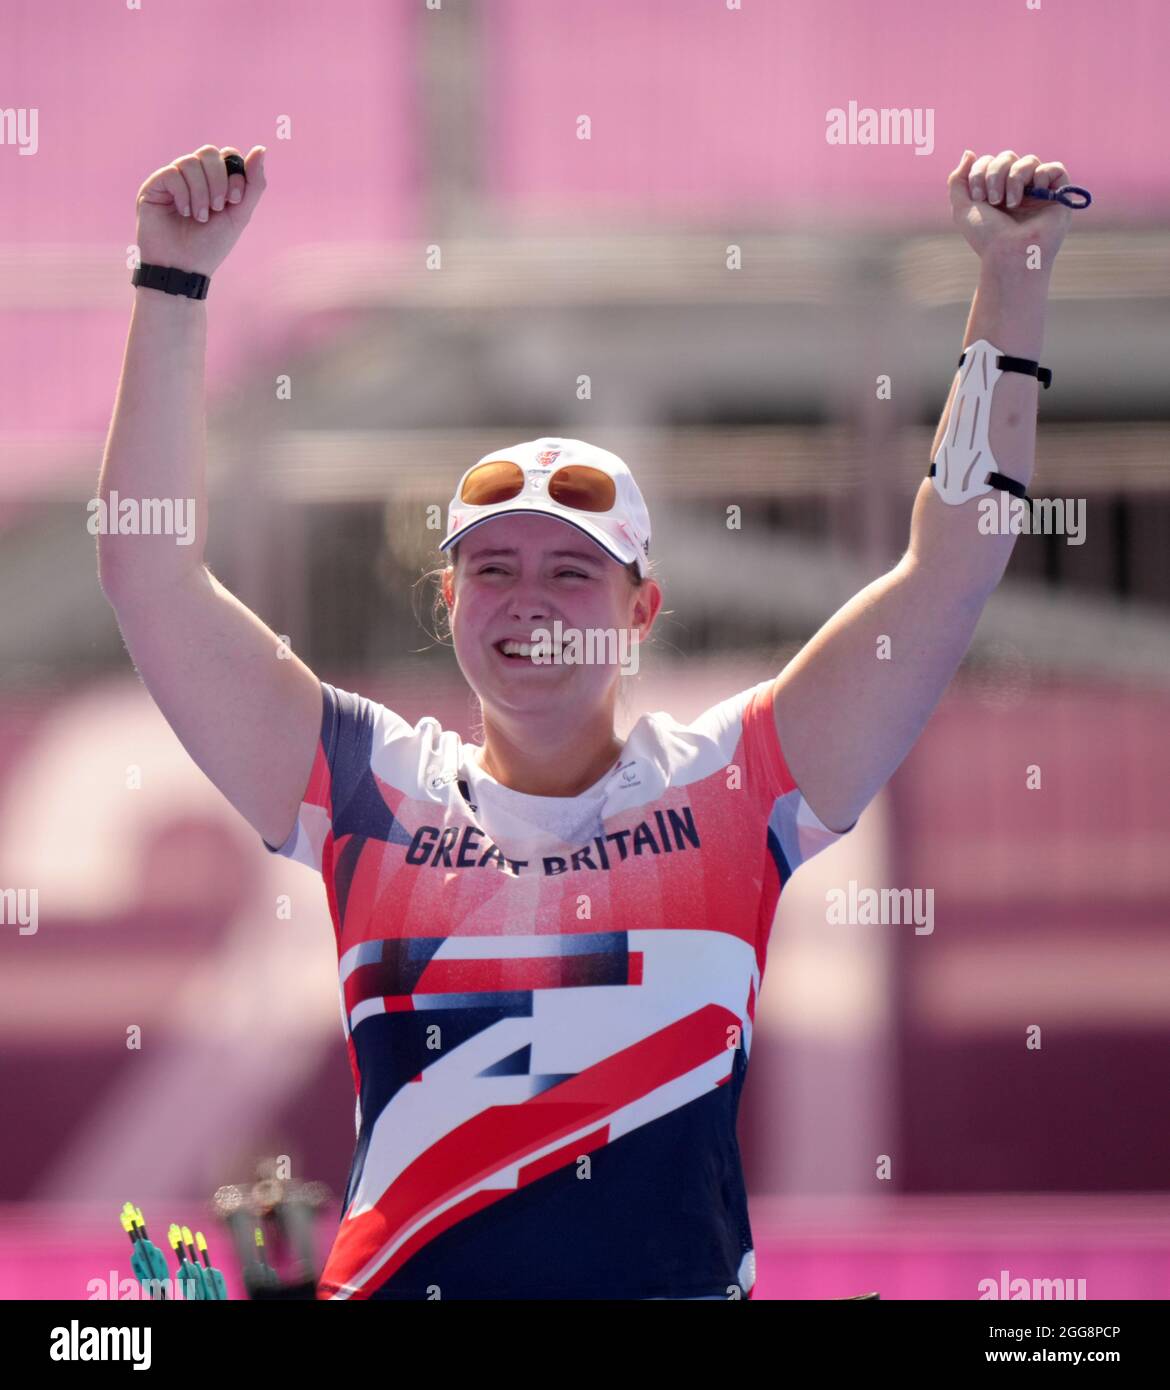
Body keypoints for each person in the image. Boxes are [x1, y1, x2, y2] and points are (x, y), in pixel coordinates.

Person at [97, 144, 1073, 1300]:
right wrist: (172, 282)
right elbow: (147, 575)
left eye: (574, 572)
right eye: (495, 569)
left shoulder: (743, 778)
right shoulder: (360, 780)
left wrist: (1014, 279)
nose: (531, 599)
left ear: (641, 608)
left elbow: (952, 565)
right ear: (449, 603)